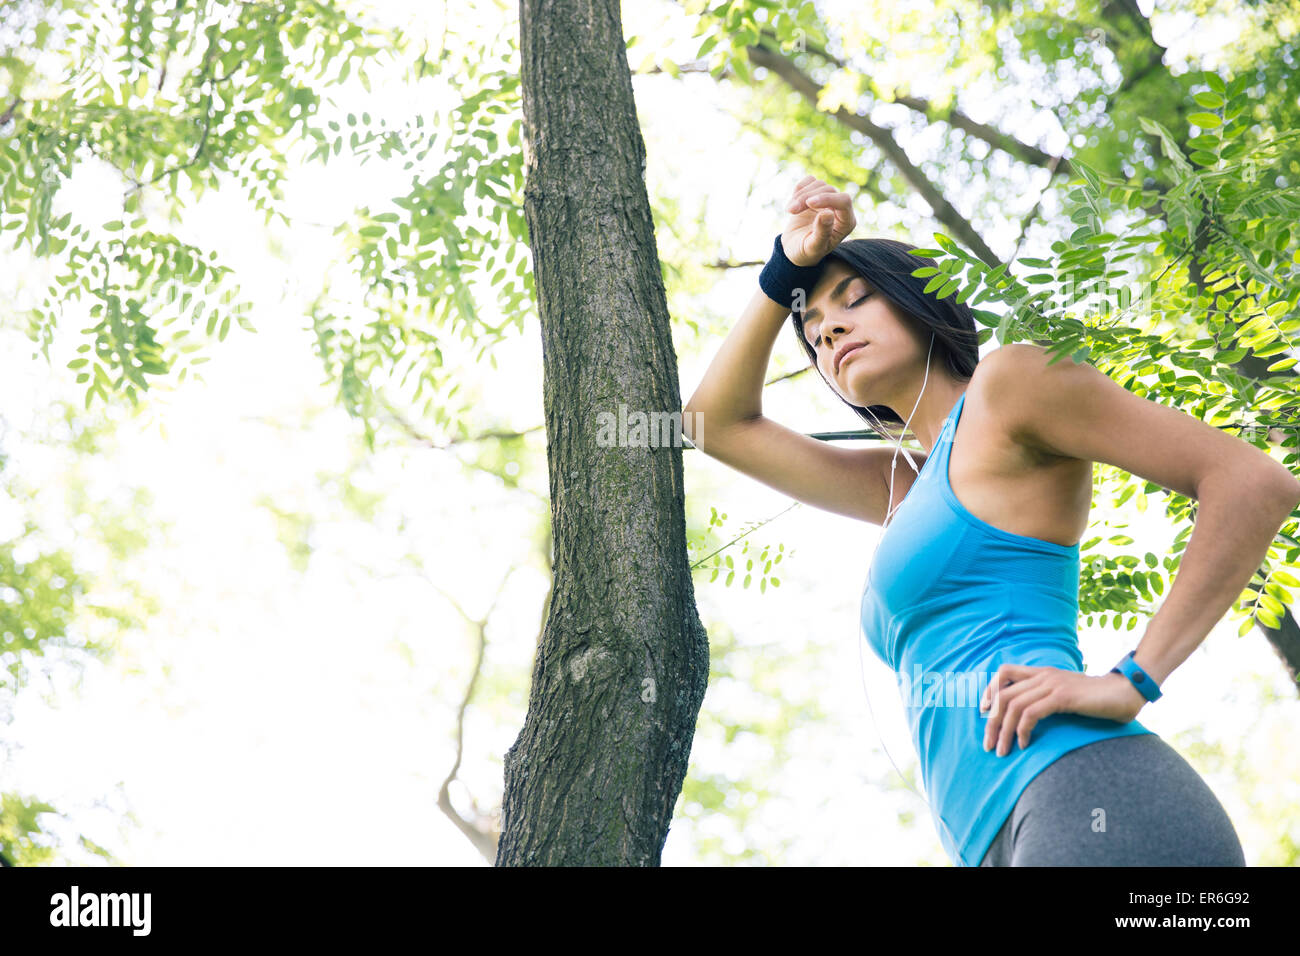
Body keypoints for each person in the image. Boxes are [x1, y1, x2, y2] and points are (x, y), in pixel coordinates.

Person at [682, 174, 1300, 865]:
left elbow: (1253, 481)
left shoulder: (1009, 388)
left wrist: (1132, 680)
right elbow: (713, 423)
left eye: (854, 299)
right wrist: (783, 269)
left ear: (921, 302)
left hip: (1087, 791)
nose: (829, 327)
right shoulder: (901, 486)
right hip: (998, 839)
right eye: (815, 329)